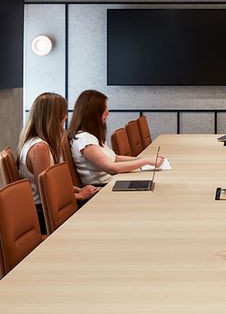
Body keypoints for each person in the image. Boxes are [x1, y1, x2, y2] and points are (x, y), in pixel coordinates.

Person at [18, 92, 97, 234]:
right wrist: (80, 196)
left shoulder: (36, 143)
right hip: (43, 213)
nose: (66, 117)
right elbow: (46, 191)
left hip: (47, 208)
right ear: (52, 117)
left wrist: (76, 189)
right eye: (63, 113)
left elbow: (52, 184)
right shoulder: (39, 148)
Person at [68, 89, 164, 185]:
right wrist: (144, 161)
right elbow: (111, 168)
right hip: (104, 188)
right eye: (104, 108)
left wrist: (146, 160)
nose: (108, 112)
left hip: (115, 180)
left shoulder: (92, 136)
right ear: (93, 113)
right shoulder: (84, 140)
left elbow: (115, 158)